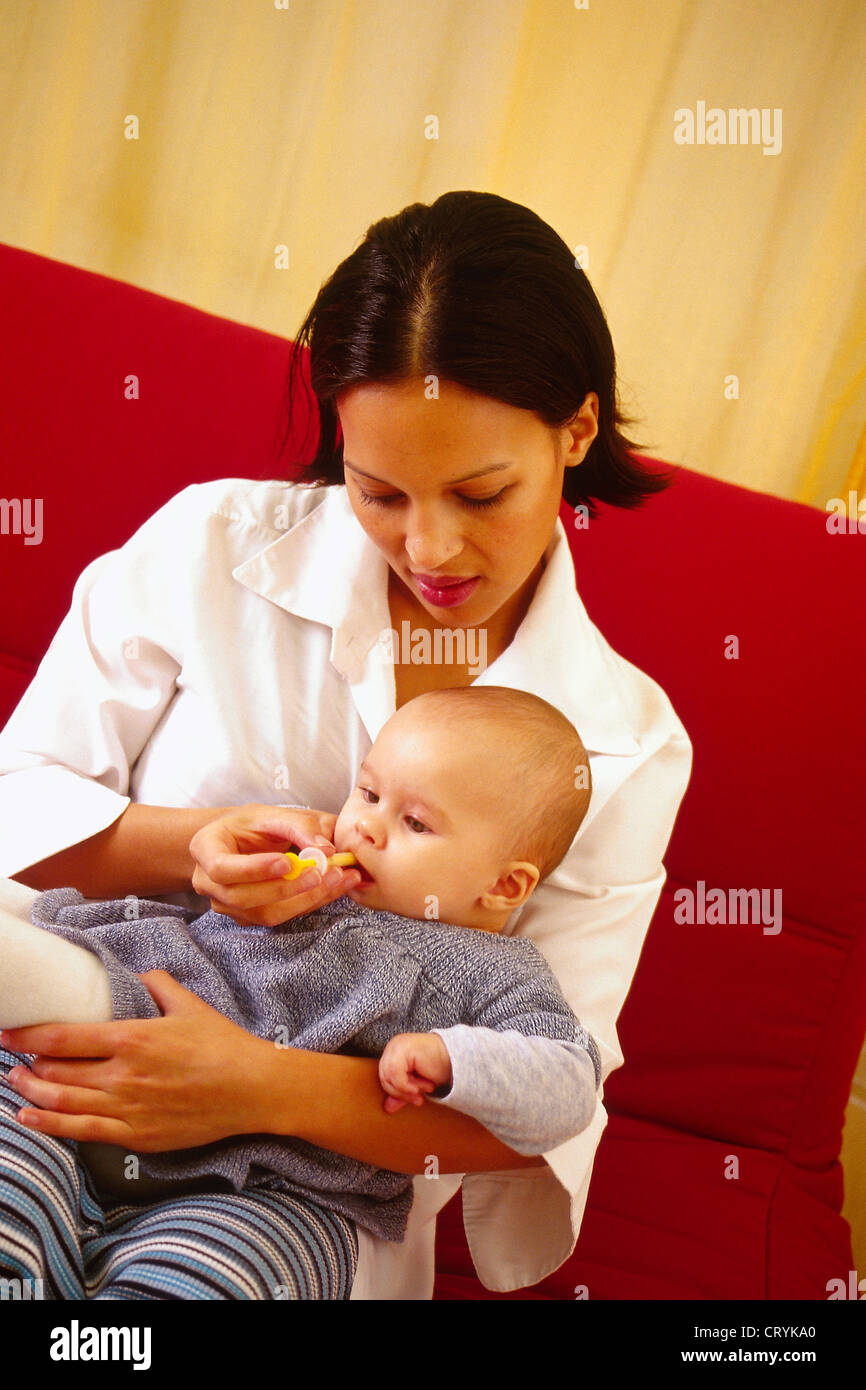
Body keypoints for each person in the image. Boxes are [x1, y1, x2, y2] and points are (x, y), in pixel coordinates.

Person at [0, 189, 693, 1299]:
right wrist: (187, 848)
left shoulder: (623, 742)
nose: (429, 547)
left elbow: (538, 1101)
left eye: (481, 492)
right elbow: (14, 804)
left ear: (576, 429)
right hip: (55, 1060)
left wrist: (252, 1087)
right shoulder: (209, 546)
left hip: (305, 1195)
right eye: (377, 491)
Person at [0, 688, 602, 1292]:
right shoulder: (300, 871)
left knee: (220, 1279)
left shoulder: (495, 970)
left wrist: (457, 1060)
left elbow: (572, 1083)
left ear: (504, 886)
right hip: (89, 1064)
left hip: (275, 1187)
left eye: (415, 822)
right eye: (367, 794)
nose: (365, 825)